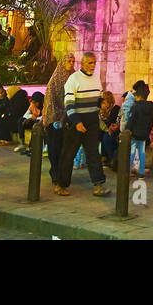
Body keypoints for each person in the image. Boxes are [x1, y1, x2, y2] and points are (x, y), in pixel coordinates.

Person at [55, 52, 108, 197]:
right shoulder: (73, 79)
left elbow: (98, 97)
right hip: (74, 123)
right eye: (90, 63)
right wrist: (77, 122)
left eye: (94, 63)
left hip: (91, 122)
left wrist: (101, 103)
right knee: (69, 154)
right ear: (83, 64)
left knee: (93, 154)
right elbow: (69, 104)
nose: (93, 66)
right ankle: (61, 184)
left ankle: (98, 185)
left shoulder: (96, 80)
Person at [43, 54, 75, 184]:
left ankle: (63, 175)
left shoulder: (74, 78)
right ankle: (55, 173)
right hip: (55, 119)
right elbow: (51, 100)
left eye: (73, 61)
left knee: (66, 150)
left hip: (69, 118)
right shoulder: (55, 80)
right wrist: (58, 116)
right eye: (68, 61)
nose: (71, 63)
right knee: (55, 149)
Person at [125, 83, 153, 177]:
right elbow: (150, 122)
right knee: (142, 153)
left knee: (132, 153)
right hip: (144, 134)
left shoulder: (136, 106)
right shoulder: (150, 108)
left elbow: (131, 120)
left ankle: (128, 170)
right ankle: (141, 172)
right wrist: (148, 132)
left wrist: (127, 130)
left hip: (134, 134)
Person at [96, 91, 120, 167]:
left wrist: (108, 125)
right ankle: (104, 157)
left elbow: (112, 121)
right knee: (103, 135)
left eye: (104, 101)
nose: (103, 103)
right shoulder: (100, 110)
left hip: (114, 130)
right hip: (104, 130)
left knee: (106, 137)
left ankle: (110, 158)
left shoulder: (116, 108)